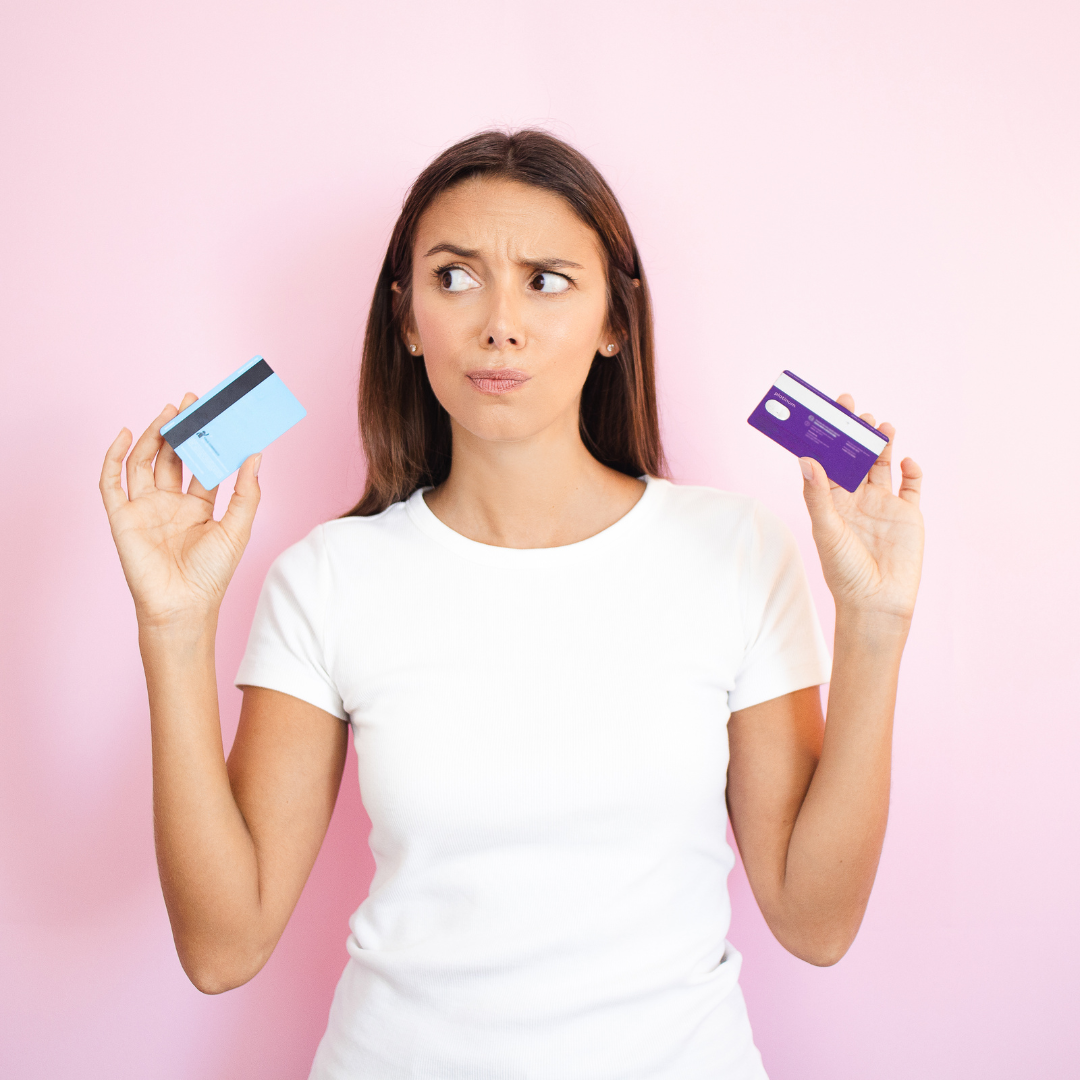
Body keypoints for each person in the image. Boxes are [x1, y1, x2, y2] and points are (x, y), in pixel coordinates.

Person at [99, 129, 925, 1080]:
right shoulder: (327, 578)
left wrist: (875, 626)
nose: (499, 323)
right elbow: (222, 946)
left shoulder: (736, 550)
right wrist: (172, 627)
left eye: (546, 279)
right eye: (455, 278)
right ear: (406, 319)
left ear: (615, 319)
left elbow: (816, 925)